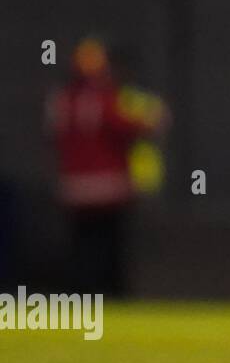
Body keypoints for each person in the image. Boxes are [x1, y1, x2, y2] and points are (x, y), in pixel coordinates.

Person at [46, 38, 159, 296]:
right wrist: (152, 117)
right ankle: (110, 293)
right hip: (108, 185)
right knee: (110, 244)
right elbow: (129, 127)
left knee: (81, 244)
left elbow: (53, 138)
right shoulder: (104, 97)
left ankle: (82, 293)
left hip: (74, 186)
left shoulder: (60, 100)